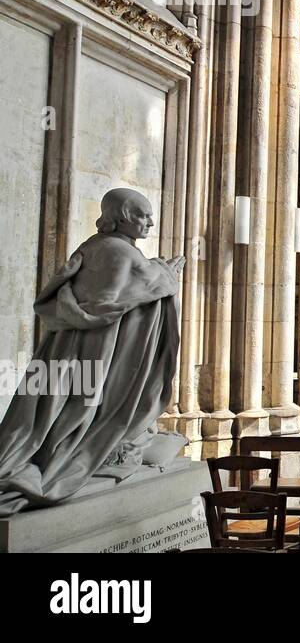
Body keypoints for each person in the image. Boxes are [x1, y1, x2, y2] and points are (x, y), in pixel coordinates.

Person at [0, 189, 185, 514]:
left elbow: (96, 294)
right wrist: (166, 274)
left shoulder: (90, 247)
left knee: (52, 407)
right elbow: (115, 301)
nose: (150, 223)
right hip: (99, 347)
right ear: (123, 216)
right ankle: (84, 451)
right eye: (142, 215)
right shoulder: (123, 253)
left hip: (66, 343)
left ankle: (49, 450)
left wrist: (156, 272)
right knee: (86, 411)